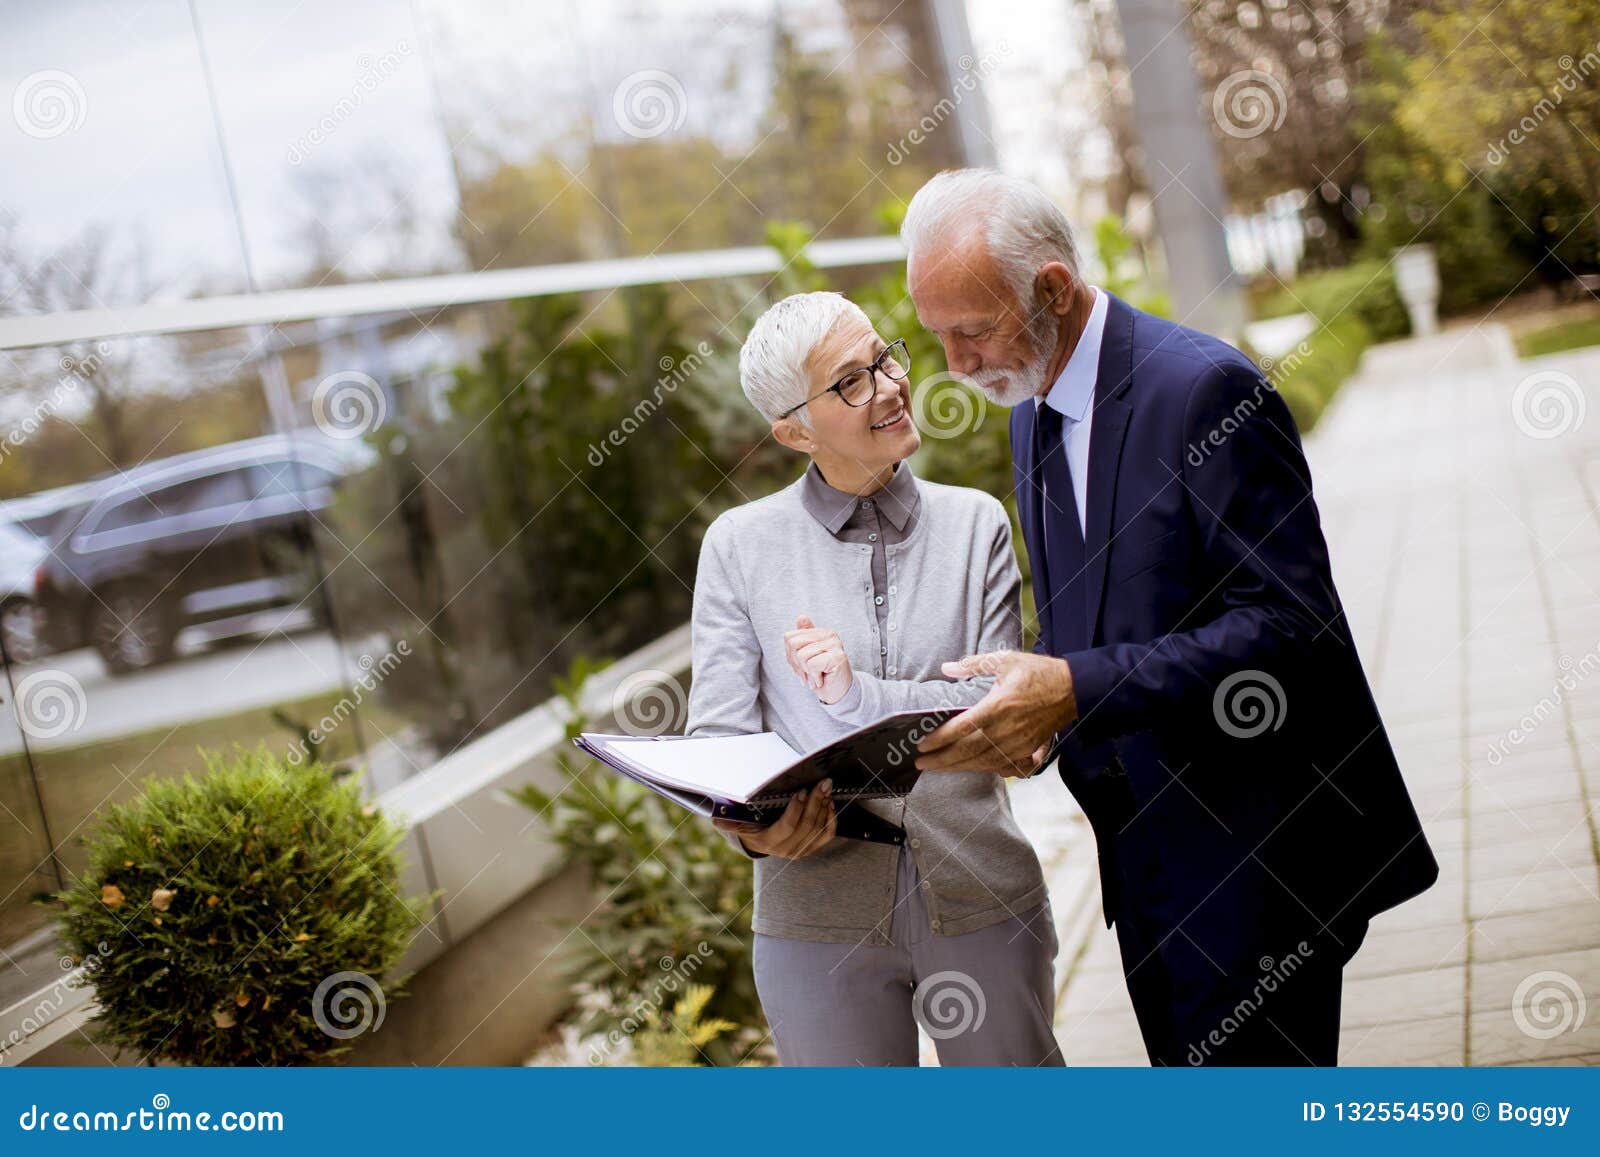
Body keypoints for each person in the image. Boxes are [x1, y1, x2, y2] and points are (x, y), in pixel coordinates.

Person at [904, 168, 1438, 1066]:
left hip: (1258, 862)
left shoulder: (1205, 390)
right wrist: (1025, 704)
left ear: (1055, 290)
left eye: (972, 330)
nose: (955, 366)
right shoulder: (1028, 410)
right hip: (1146, 868)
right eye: (939, 337)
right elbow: (1092, 617)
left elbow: (1290, 624)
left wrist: (1073, 687)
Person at [684, 290, 1062, 1067]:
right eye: (851, 382)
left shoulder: (975, 524)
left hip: (979, 891)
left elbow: (997, 715)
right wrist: (755, 828)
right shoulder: (738, 547)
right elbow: (718, 741)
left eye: (885, 359)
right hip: (812, 917)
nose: (890, 386)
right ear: (792, 429)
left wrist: (856, 696)